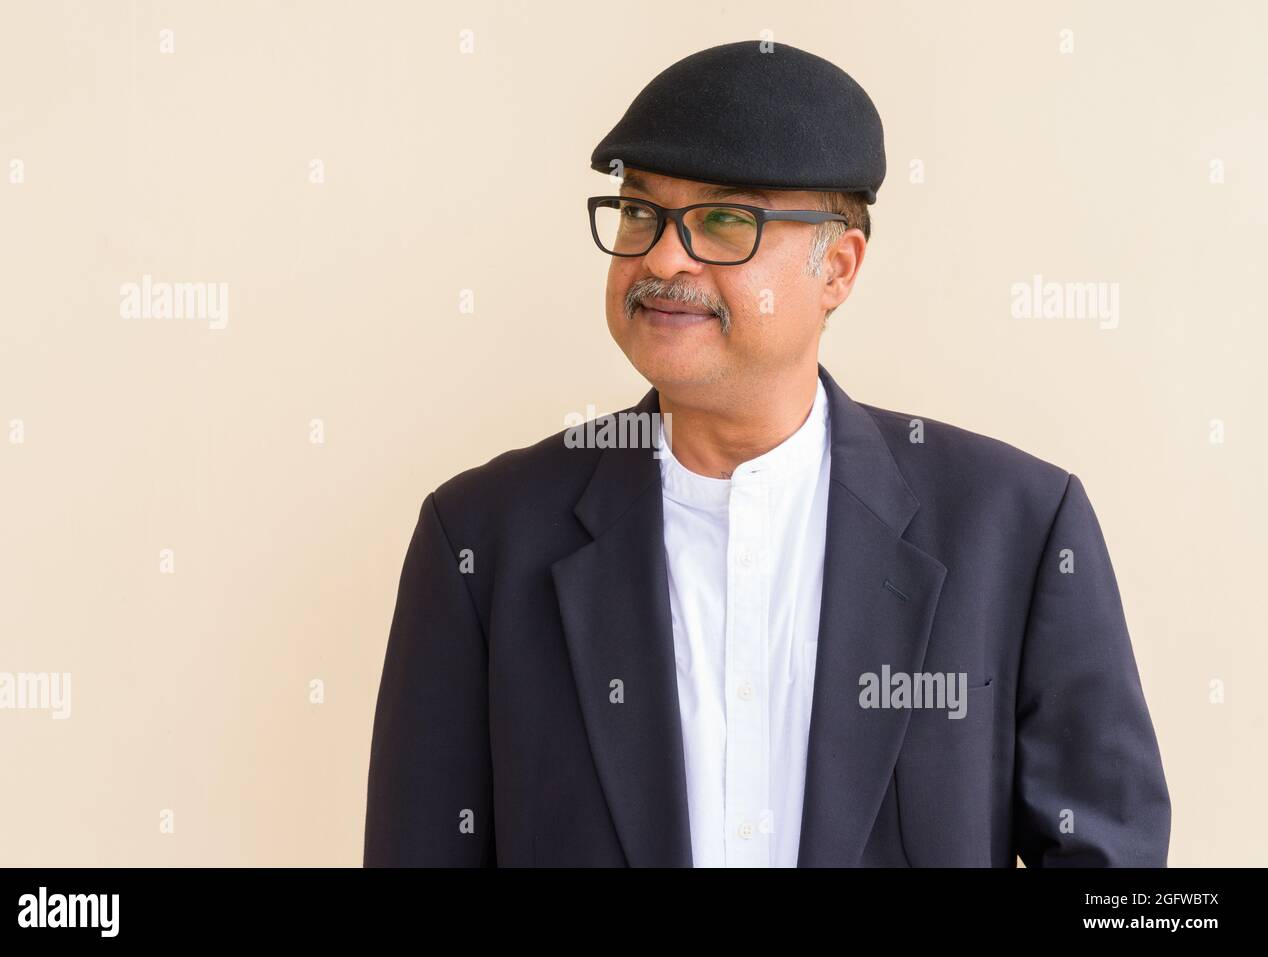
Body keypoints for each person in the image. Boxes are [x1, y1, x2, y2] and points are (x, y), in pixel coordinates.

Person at [363, 40, 1170, 867]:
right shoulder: (480, 540)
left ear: (838, 268)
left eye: (724, 221)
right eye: (640, 212)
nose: (662, 257)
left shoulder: (1016, 527)